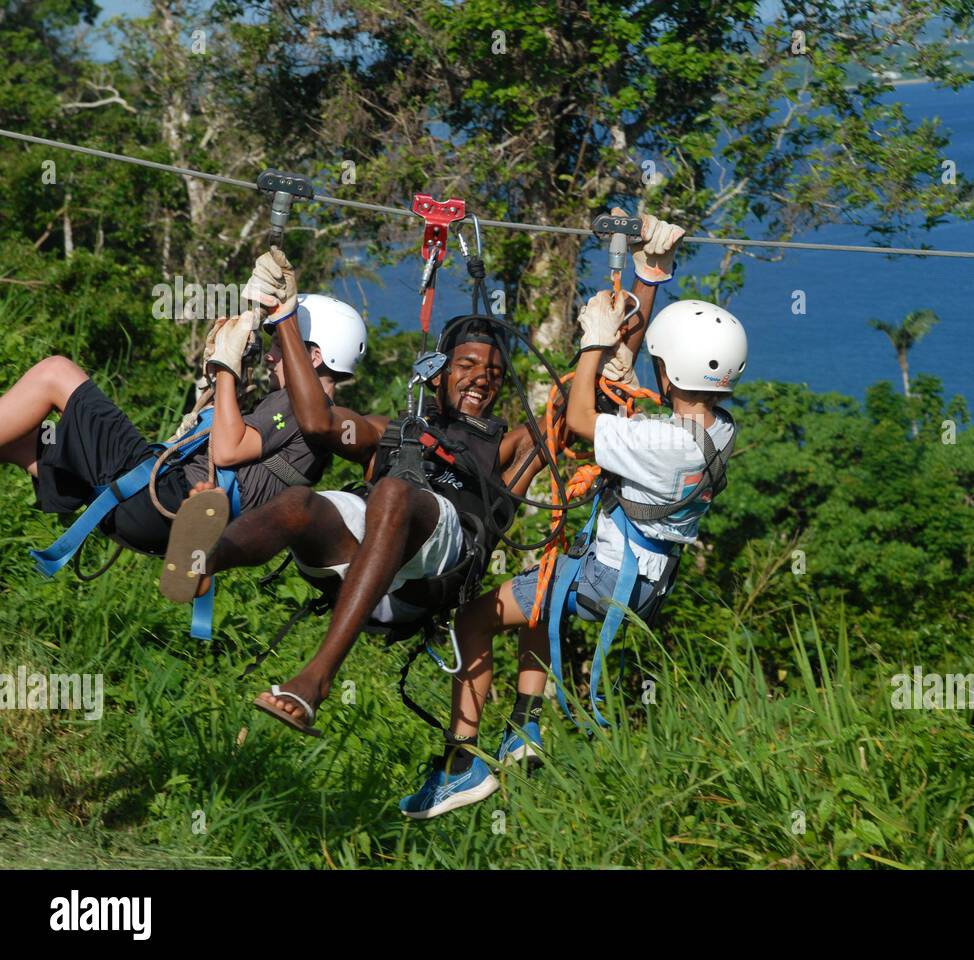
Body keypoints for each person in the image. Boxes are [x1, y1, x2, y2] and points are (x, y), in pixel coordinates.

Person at [398, 220, 749, 821]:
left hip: (607, 577)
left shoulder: (664, 442)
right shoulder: (714, 433)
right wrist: (647, 278)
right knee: (542, 592)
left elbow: (584, 419)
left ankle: (461, 765)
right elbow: (647, 381)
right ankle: (526, 731)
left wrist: (593, 343)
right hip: (641, 580)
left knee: (475, 620)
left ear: (667, 373)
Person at [161, 248, 563, 736]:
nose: (481, 379)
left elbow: (573, 410)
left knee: (394, 492)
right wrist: (285, 318)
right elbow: (316, 419)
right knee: (300, 504)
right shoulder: (389, 431)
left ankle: (315, 681)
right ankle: (206, 561)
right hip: (368, 553)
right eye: (467, 366)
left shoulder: (506, 444)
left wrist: (635, 301)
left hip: (434, 568)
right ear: (438, 373)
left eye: (494, 374)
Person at [0, 280, 365, 563]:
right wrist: (221, 378)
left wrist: (226, 368)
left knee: (55, 373)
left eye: (279, 348)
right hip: (156, 520)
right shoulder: (317, 428)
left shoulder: (302, 404)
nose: (270, 358)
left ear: (313, 357)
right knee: (20, 442)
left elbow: (226, 451)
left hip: (162, 498)